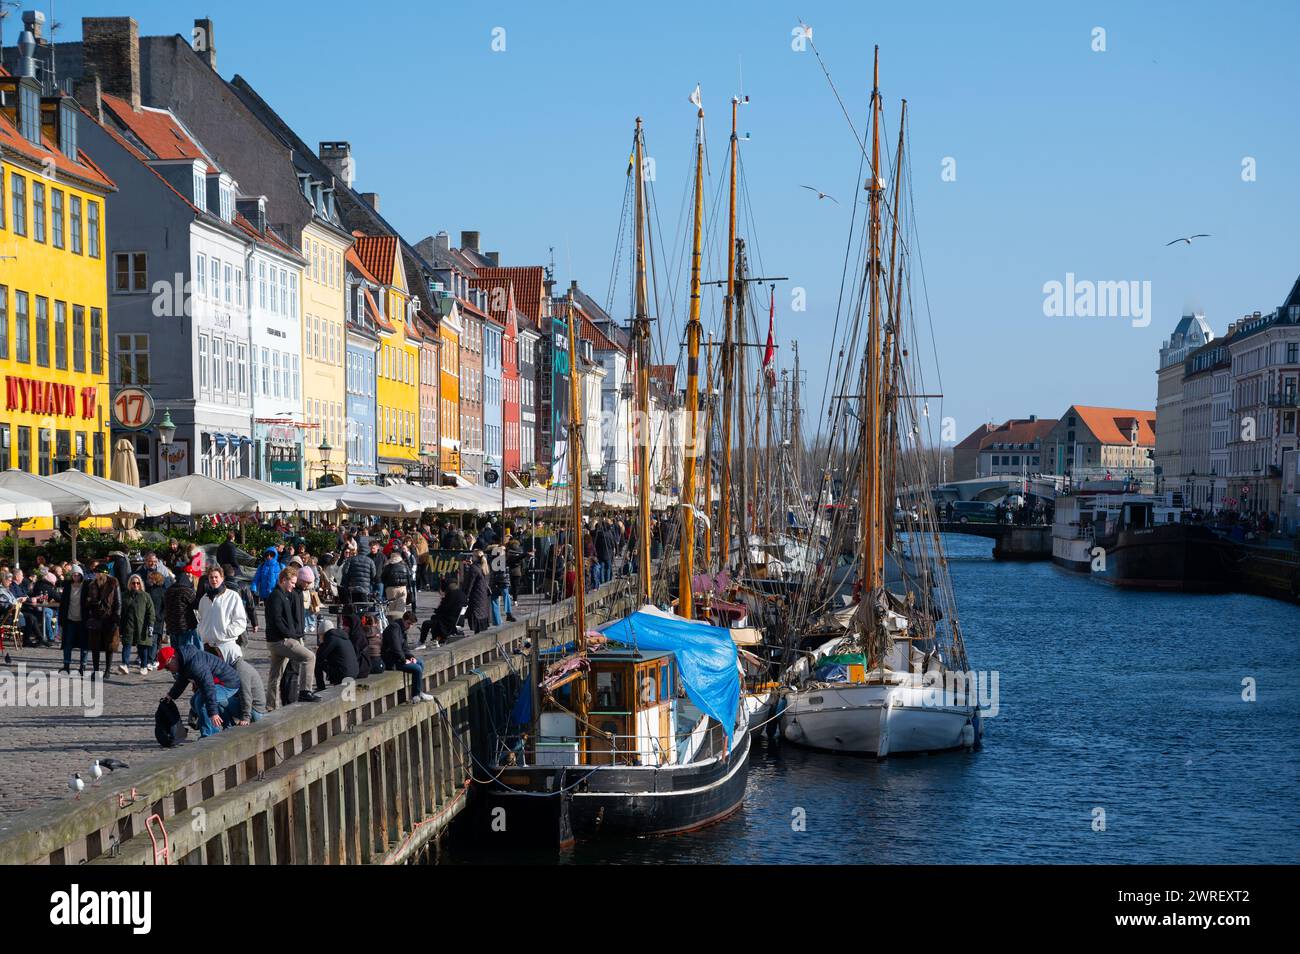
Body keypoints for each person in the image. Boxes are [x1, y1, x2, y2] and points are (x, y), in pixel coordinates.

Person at [264, 566, 320, 709]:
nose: (294, 586)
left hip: (275, 640)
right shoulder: (277, 596)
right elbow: (277, 620)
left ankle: (271, 706)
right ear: (284, 580)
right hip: (281, 640)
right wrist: (291, 635)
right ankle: (305, 691)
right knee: (309, 657)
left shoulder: (282, 594)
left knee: (275, 676)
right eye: (293, 583)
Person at [157, 644, 241, 738]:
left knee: (202, 703)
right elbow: (181, 681)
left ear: (172, 658)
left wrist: (213, 713)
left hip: (227, 683)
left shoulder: (195, 665)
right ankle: (228, 725)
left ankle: (209, 736)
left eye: (167, 667)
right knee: (194, 701)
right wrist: (171, 695)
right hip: (216, 683)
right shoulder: (184, 661)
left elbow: (208, 687)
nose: (168, 670)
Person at [196, 564, 247, 663]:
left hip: (225, 644)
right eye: (211, 577)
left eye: (216, 577)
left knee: (226, 676)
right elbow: (201, 618)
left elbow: (240, 621)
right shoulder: (204, 598)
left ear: (222, 578)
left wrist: (227, 632)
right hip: (208, 645)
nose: (214, 580)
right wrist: (201, 631)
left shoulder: (232, 596)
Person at [382, 611, 432, 703]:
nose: (410, 626)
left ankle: (420, 691)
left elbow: (404, 648)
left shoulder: (402, 629)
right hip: (391, 660)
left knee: (420, 662)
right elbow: (395, 647)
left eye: (412, 624)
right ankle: (415, 695)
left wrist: (411, 657)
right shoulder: (394, 628)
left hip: (398, 658)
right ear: (403, 620)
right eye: (408, 623)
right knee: (417, 669)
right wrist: (404, 660)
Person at [86, 564, 121, 682]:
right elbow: (87, 600)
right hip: (96, 618)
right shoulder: (92, 585)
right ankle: (95, 670)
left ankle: (107, 670)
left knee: (109, 645)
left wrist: (116, 618)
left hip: (109, 618)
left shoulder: (113, 583)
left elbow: (118, 602)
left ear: (103, 573)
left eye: (98, 572)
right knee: (95, 646)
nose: (96, 574)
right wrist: (90, 604)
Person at [117, 574, 156, 675]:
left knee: (142, 647)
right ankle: (125, 664)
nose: (135, 585)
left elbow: (151, 612)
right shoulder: (124, 595)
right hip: (128, 625)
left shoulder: (145, 596)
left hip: (142, 626)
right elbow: (120, 610)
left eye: (138, 583)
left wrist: (151, 625)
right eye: (133, 583)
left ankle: (143, 666)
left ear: (140, 584)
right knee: (126, 645)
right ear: (130, 584)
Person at [57, 567, 89, 674]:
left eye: (78, 575)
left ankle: (83, 666)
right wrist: (61, 619)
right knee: (68, 644)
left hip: (82, 619)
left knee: (84, 644)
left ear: (81, 575)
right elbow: (63, 603)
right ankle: (66, 665)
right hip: (69, 619)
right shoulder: (67, 586)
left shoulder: (86, 586)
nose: (76, 577)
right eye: (74, 575)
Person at [339, 541, 376, 606]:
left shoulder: (351, 559)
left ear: (358, 550)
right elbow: (373, 575)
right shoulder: (370, 561)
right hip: (365, 588)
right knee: (364, 608)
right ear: (367, 551)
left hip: (353, 587)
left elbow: (344, 571)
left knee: (354, 607)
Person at [233, 656, 266, 725]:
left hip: (254, 710)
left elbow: (245, 694)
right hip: (255, 708)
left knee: (220, 701)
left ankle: (228, 728)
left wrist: (246, 717)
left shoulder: (241, 669)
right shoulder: (238, 664)